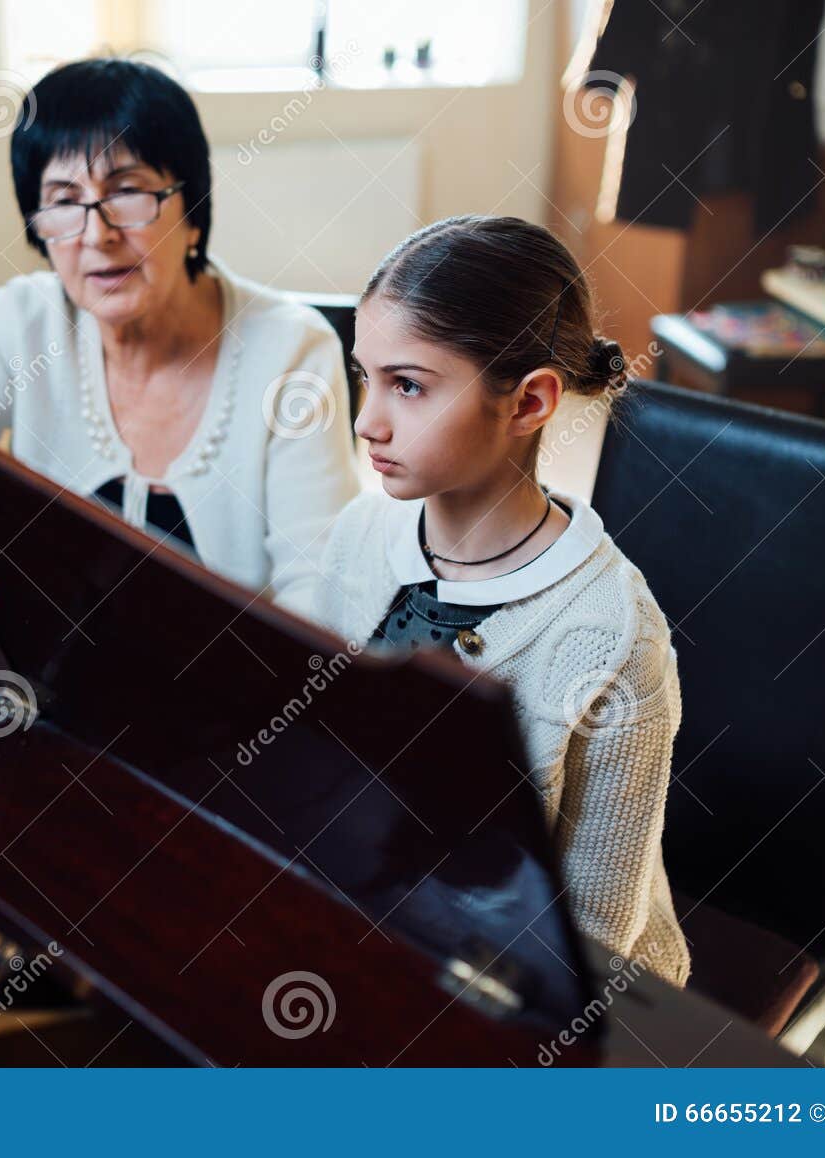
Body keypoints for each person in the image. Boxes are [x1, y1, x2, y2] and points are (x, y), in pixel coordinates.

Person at [317, 215, 690, 986]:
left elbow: (597, 941)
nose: (367, 421)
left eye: (408, 386)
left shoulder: (614, 636)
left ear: (528, 404)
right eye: (365, 376)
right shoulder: (361, 533)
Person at [0, 58, 358, 618]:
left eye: (127, 191)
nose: (97, 235)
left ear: (192, 209)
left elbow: (319, 594)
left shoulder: (292, 351)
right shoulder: (21, 320)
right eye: (62, 200)